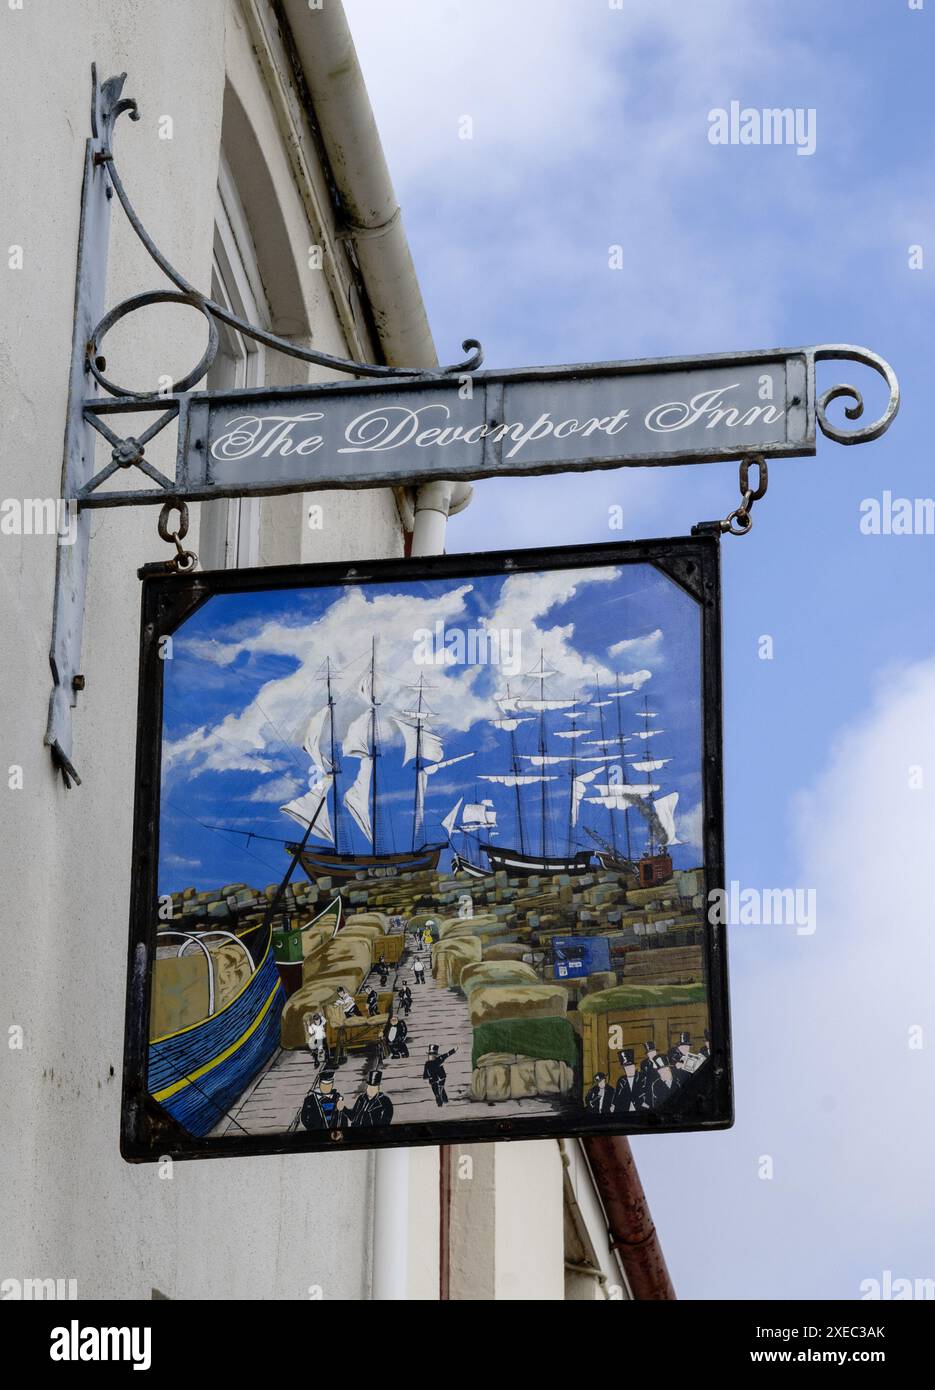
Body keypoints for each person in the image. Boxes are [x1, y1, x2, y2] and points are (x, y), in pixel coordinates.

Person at [611, 1049, 643, 1114]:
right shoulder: (621, 1080)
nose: (629, 1070)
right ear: (624, 1069)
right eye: (627, 1068)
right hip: (625, 1108)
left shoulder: (641, 1077)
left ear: (634, 1067)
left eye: (631, 1067)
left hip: (640, 1107)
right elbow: (617, 1094)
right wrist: (613, 1105)